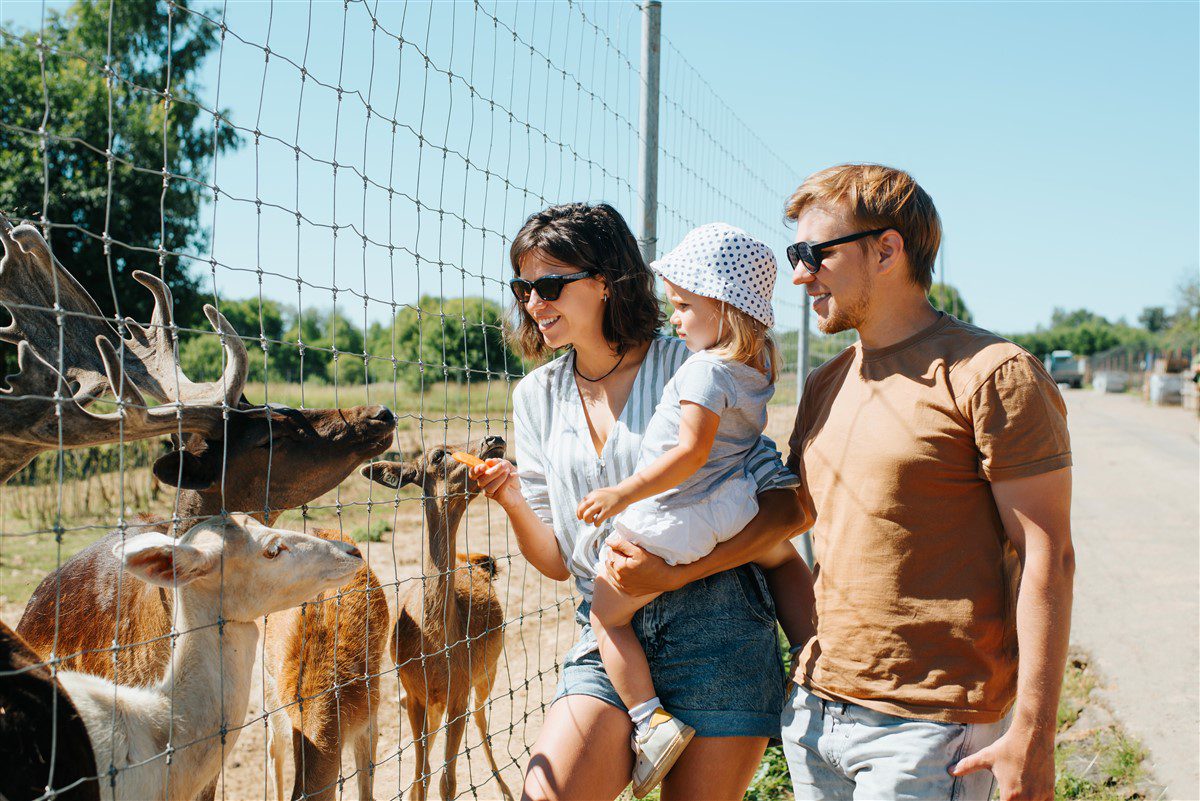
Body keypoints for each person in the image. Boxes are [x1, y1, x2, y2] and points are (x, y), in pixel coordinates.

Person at [470, 203, 811, 801]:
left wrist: (680, 569)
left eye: (549, 284)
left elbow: (787, 510)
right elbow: (559, 560)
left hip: (719, 628)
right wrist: (513, 500)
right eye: (523, 286)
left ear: (605, 281)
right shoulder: (535, 398)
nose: (532, 302)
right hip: (606, 629)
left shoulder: (695, 361)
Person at [776, 163, 1075, 801]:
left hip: (934, 729)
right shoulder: (824, 385)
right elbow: (787, 525)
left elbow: (1048, 555)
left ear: (886, 249)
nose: (799, 274)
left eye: (814, 254)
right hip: (815, 714)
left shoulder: (994, 374)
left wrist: (1034, 734)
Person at [573, 223, 812, 796]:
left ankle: (649, 720)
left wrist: (622, 493)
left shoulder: (704, 370)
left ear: (724, 306)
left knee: (607, 616)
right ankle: (810, 662)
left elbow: (689, 452)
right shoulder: (759, 366)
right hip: (730, 505)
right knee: (779, 556)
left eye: (683, 306)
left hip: (672, 517)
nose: (675, 320)